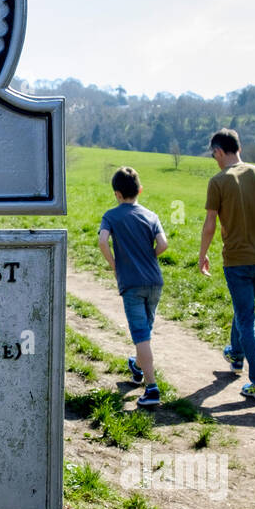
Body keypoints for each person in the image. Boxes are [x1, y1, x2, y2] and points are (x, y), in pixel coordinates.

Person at [197, 129, 255, 401]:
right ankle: (235, 355)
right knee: (244, 308)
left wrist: (202, 255)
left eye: (214, 154)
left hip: (237, 261)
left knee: (247, 318)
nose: (214, 159)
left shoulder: (218, 181)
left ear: (219, 151)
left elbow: (210, 224)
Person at [98, 166, 169, 408]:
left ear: (117, 194)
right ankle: (137, 366)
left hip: (131, 284)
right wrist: (150, 256)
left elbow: (102, 240)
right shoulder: (151, 215)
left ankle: (152, 389)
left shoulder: (111, 216)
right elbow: (163, 244)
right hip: (154, 281)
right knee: (145, 334)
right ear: (140, 190)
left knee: (141, 336)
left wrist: (114, 264)